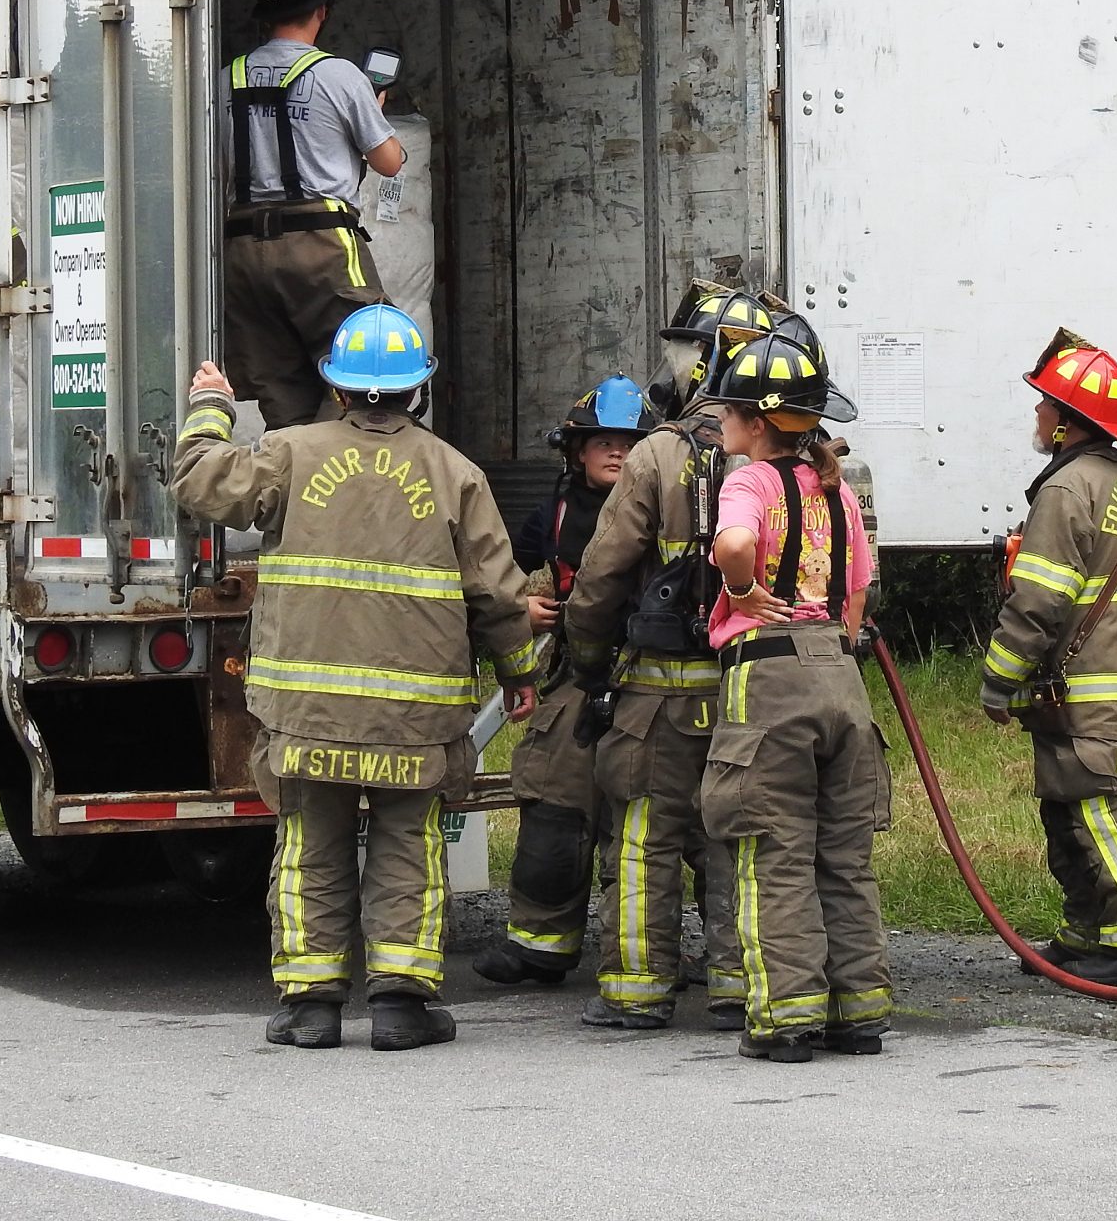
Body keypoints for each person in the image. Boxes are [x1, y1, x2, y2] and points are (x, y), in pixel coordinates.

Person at [170, 304, 536, 1052]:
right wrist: (520, 673)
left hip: (306, 712)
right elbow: (498, 594)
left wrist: (211, 404)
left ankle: (311, 1008)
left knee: (311, 841)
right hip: (417, 718)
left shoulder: (289, 453)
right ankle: (401, 1006)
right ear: (417, 392)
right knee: (408, 843)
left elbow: (203, 484)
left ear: (338, 389)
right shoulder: (456, 474)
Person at [563, 283, 778, 1031]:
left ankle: (637, 991)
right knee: (738, 835)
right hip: (763, 690)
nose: (676, 368)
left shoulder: (658, 455)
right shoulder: (807, 460)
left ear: (714, 362)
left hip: (659, 694)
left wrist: (588, 663)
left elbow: (600, 577)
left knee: (644, 837)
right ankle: (738, 986)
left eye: (688, 353)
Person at [698, 320, 889, 1060]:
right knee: (843, 853)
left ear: (755, 422)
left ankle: (784, 1020)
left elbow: (735, 544)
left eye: (727, 411)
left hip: (770, 680)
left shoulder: (748, 481)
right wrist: (834, 645)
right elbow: (858, 593)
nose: (718, 421)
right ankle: (859, 1010)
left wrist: (739, 589)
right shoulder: (835, 491)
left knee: (772, 849)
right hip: (840, 677)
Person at [979, 329, 1117, 985]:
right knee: (1067, 805)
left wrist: (999, 676)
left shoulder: (1068, 490)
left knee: (1101, 807)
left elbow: (1040, 596)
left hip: (1084, 683)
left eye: (1045, 406)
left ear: (1068, 424)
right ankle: (1088, 931)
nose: (1037, 414)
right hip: (1108, 677)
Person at [472, 373, 656, 988]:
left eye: (629, 440)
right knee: (554, 804)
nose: (616, 450)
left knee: (664, 823)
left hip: (656, 681)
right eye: (601, 440)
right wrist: (520, 606)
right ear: (577, 450)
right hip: (577, 676)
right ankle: (539, 946)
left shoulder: (673, 507)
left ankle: (677, 960)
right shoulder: (550, 517)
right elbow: (493, 581)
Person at [220, 0, 406, 429]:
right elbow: (389, 162)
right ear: (322, 9)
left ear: (263, 9)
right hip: (321, 245)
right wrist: (372, 111)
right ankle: (347, 488)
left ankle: (296, 489)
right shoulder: (340, 76)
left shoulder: (223, 81)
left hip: (242, 252)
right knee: (370, 364)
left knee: (280, 394)